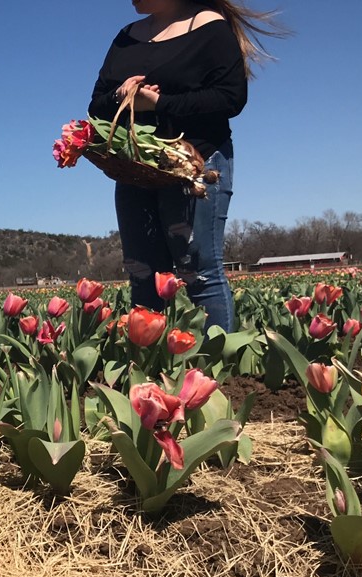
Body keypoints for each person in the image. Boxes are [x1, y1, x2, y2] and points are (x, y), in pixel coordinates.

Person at [88, 0, 286, 331]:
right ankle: (150, 373)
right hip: (137, 167)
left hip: (196, 163)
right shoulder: (126, 37)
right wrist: (121, 97)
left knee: (199, 272)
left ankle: (213, 373)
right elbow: (97, 104)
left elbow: (230, 98)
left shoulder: (209, 27)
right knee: (142, 272)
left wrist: (159, 104)